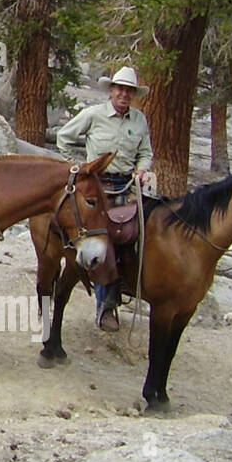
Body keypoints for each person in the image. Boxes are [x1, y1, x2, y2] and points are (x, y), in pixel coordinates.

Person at [55, 66, 155, 332]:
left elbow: (145, 152)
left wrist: (142, 169)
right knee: (104, 237)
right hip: (96, 186)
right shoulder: (93, 115)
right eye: (120, 89)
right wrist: (76, 167)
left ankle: (133, 285)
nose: (124, 94)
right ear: (111, 91)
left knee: (141, 232)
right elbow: (64, 137)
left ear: (133, 94)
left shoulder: (139, 120)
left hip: (125, 186)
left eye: (128, 90)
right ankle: (106, 305)